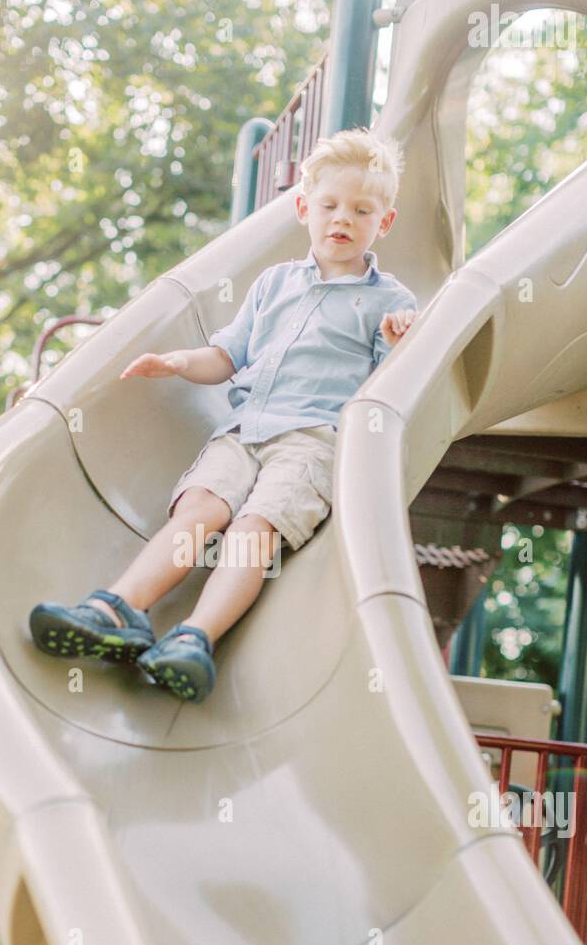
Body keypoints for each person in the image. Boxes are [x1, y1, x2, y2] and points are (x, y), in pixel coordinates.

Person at [29, 125, 418, 703]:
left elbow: (393, 386)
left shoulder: (391, 302)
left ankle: (193, 638)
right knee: (198, 511)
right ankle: (121, 609)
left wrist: (401, 340)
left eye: (361, 211)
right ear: (304, 208)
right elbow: (228, 355)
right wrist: (180, 360)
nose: (343, 219)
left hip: (310, 442)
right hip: (242, 431)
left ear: (382, 223)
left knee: (253, 530)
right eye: (330, 205)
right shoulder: (273, 284)